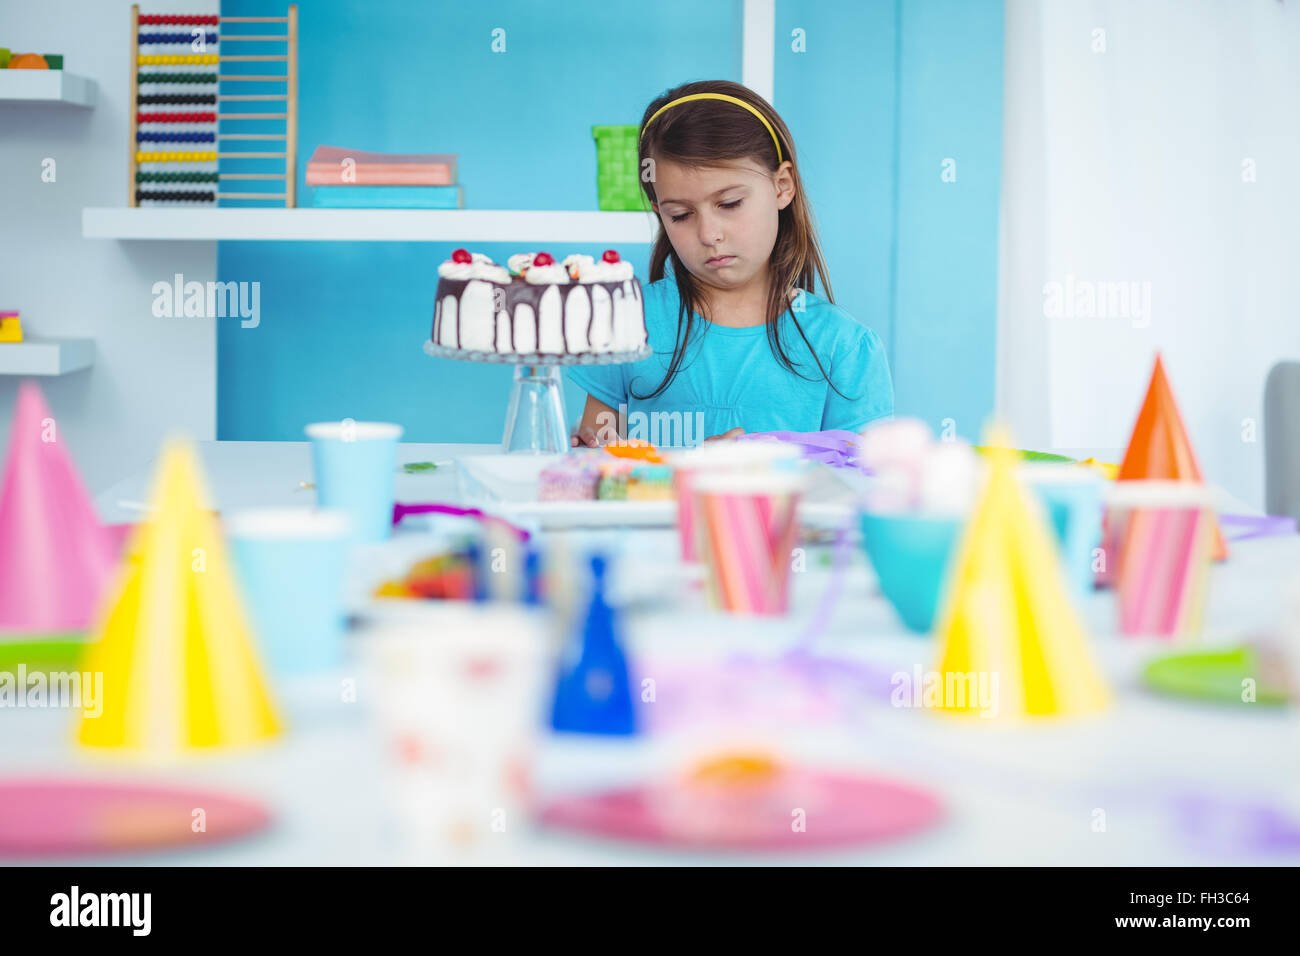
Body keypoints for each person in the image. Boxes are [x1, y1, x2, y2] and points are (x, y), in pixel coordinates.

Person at [568, 79, 893, 448]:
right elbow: (599, 463)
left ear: (782, 186)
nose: (709, 233)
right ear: (660, 213)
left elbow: (856, 488)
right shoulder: (627, 323)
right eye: (680, 215)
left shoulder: (845, 349)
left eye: (730, 204)